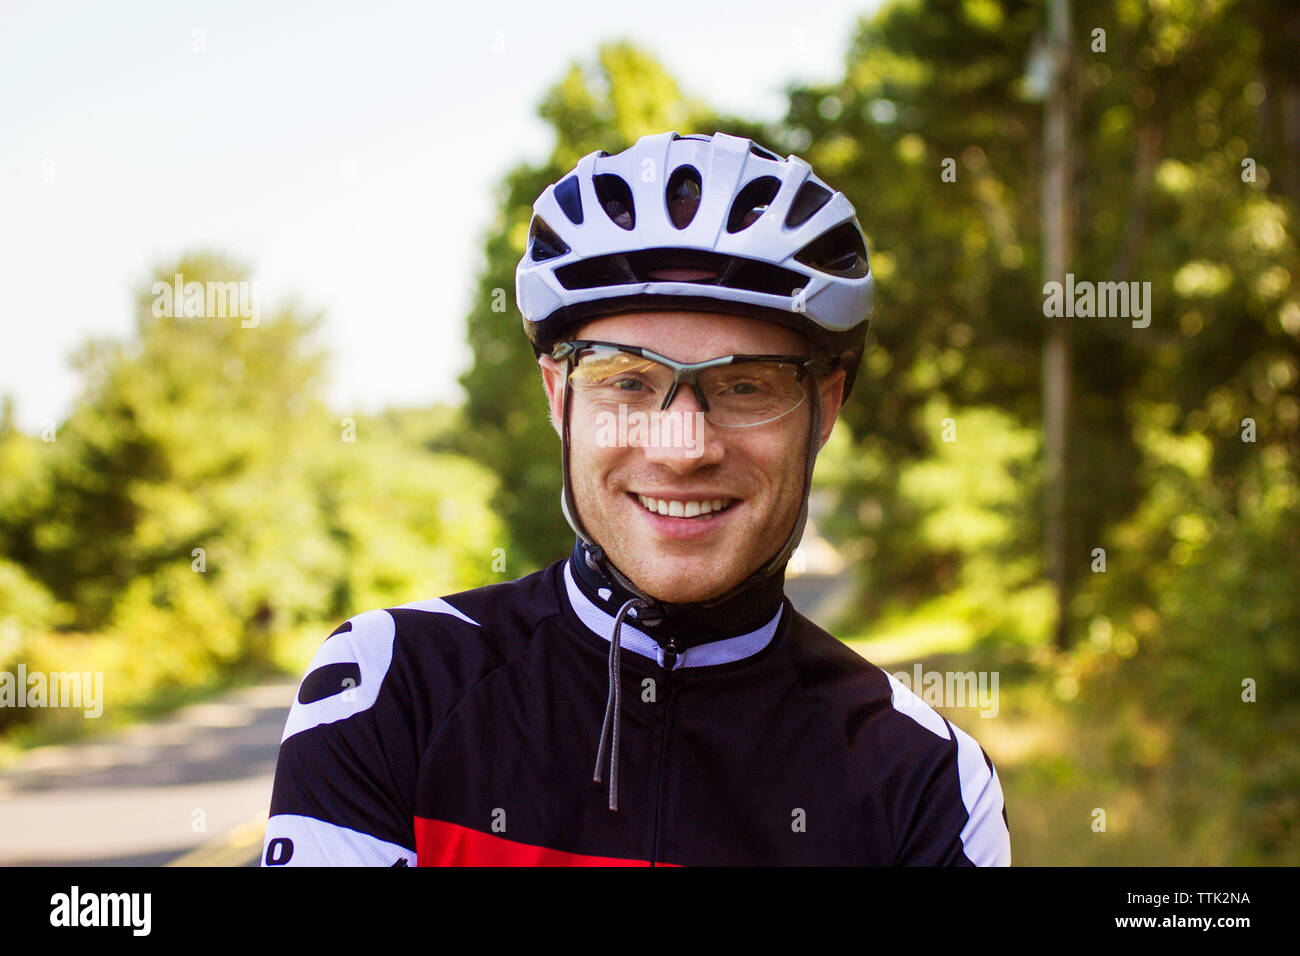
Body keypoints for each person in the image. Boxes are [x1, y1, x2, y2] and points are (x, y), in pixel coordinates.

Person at [261, 131, 1011, 866]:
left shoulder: (929, 787)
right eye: (626, 380)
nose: (683, 448)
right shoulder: (389, 689)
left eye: (745, 384)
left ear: (827, 410)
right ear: (560, 398)